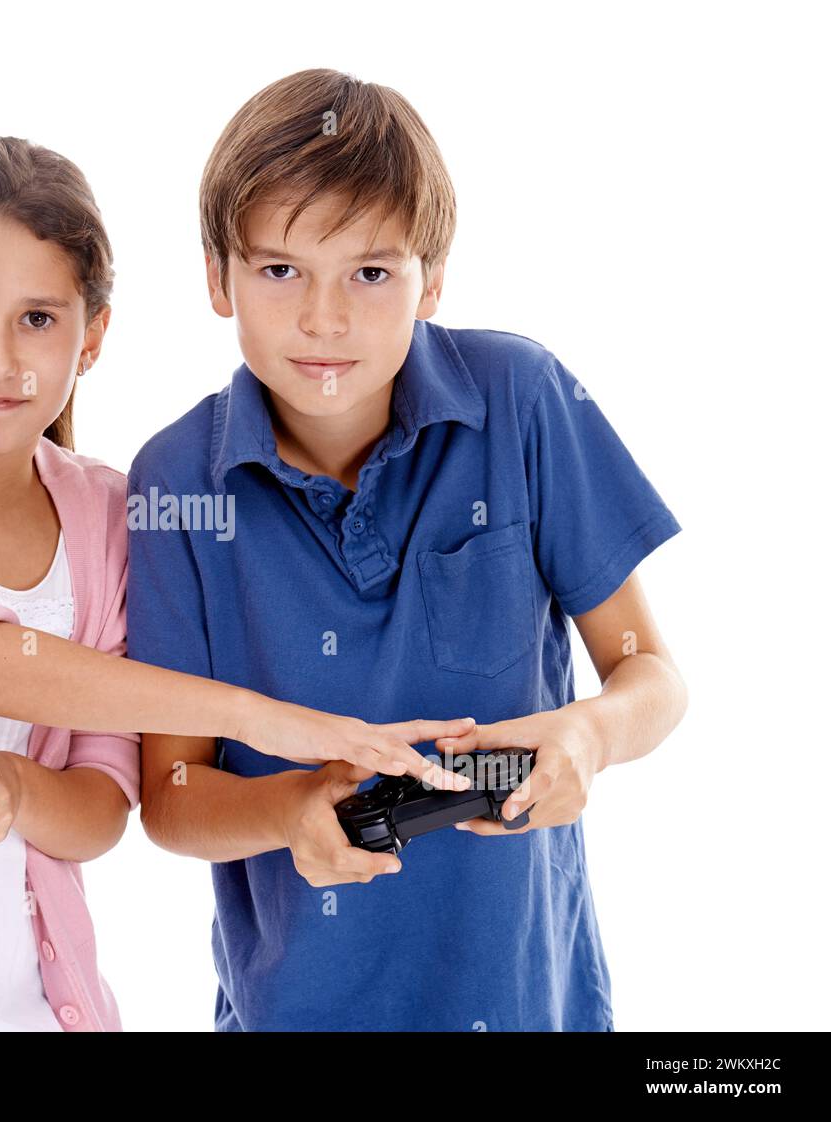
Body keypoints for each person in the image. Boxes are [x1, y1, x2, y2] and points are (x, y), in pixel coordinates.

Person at [0, 135, 475, 1032]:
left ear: (92, 335)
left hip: (14, 1003)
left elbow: (102, 805)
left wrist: (18, 790)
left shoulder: (107, 513)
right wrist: (266, 719)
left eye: (37, 318)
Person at [127, 68, 689, 1031]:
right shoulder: (174, 482)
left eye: (372, 273)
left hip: (523, 1000)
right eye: (279, 269)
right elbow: (170, 795)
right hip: (297, 1007)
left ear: (433, 278)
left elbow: (653, 677)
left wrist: (590, 735)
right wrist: (290, 811)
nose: (325, 318)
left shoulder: (522, 398)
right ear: (217, 277)